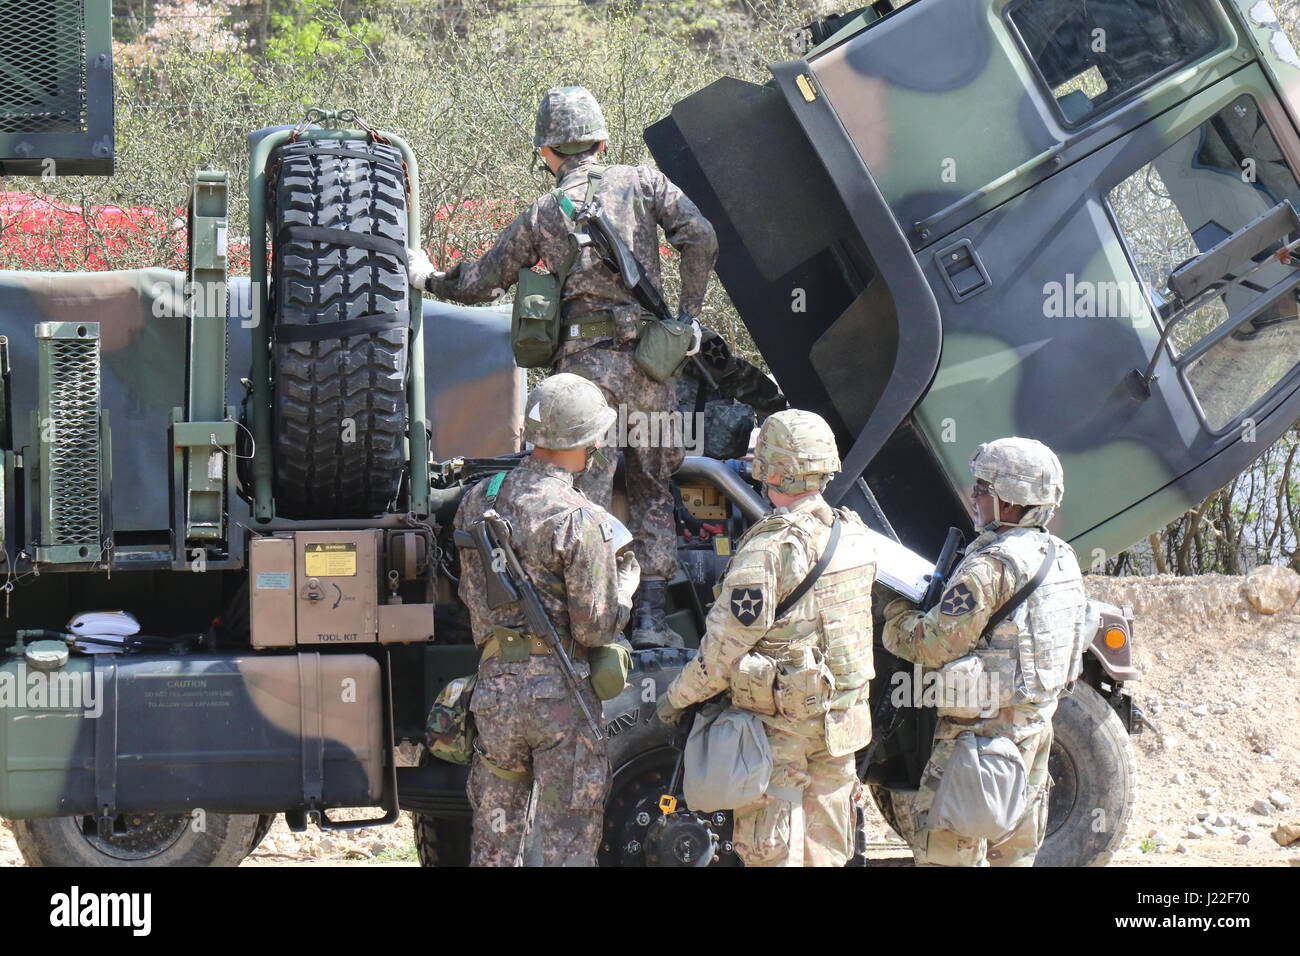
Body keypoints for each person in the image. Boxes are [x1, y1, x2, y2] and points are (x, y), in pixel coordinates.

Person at [409, 85, 718, 650]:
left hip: (585, 378)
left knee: (585, 499)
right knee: (653, 490)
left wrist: (428, 277)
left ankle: (597, 629)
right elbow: (700, 236)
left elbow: (480, 282)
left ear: (548, 153)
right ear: (600, 141)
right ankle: (650, 620)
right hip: (652, 366)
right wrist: (688, 318)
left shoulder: (542, 214)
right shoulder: (643, 181)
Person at [655, 409, 876, 866]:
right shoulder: (855, 536)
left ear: (771, 470)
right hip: (842, 725)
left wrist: (675, 700)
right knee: (829, 851)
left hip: (781, 731)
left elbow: (721, 650)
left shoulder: (770, 548)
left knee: (771, 852)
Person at [454, 373, 640, 866]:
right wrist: (626, 584)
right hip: (561, 696)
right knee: (566, 843)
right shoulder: (582, 519)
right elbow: (595, 628)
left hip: (494, 689)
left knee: (494, 843)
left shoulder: (481, 497)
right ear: (589, 441)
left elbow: (468, 591)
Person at [881, 437, 1089, 867]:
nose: (973, 497)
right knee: (1013, 854)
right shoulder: (1061, 555)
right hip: (1033, 730)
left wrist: (895, 616)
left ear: (1011, 503)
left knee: (949, 849)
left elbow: (934, 644)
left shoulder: (990, 566)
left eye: (982, 489)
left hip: (978, 740)